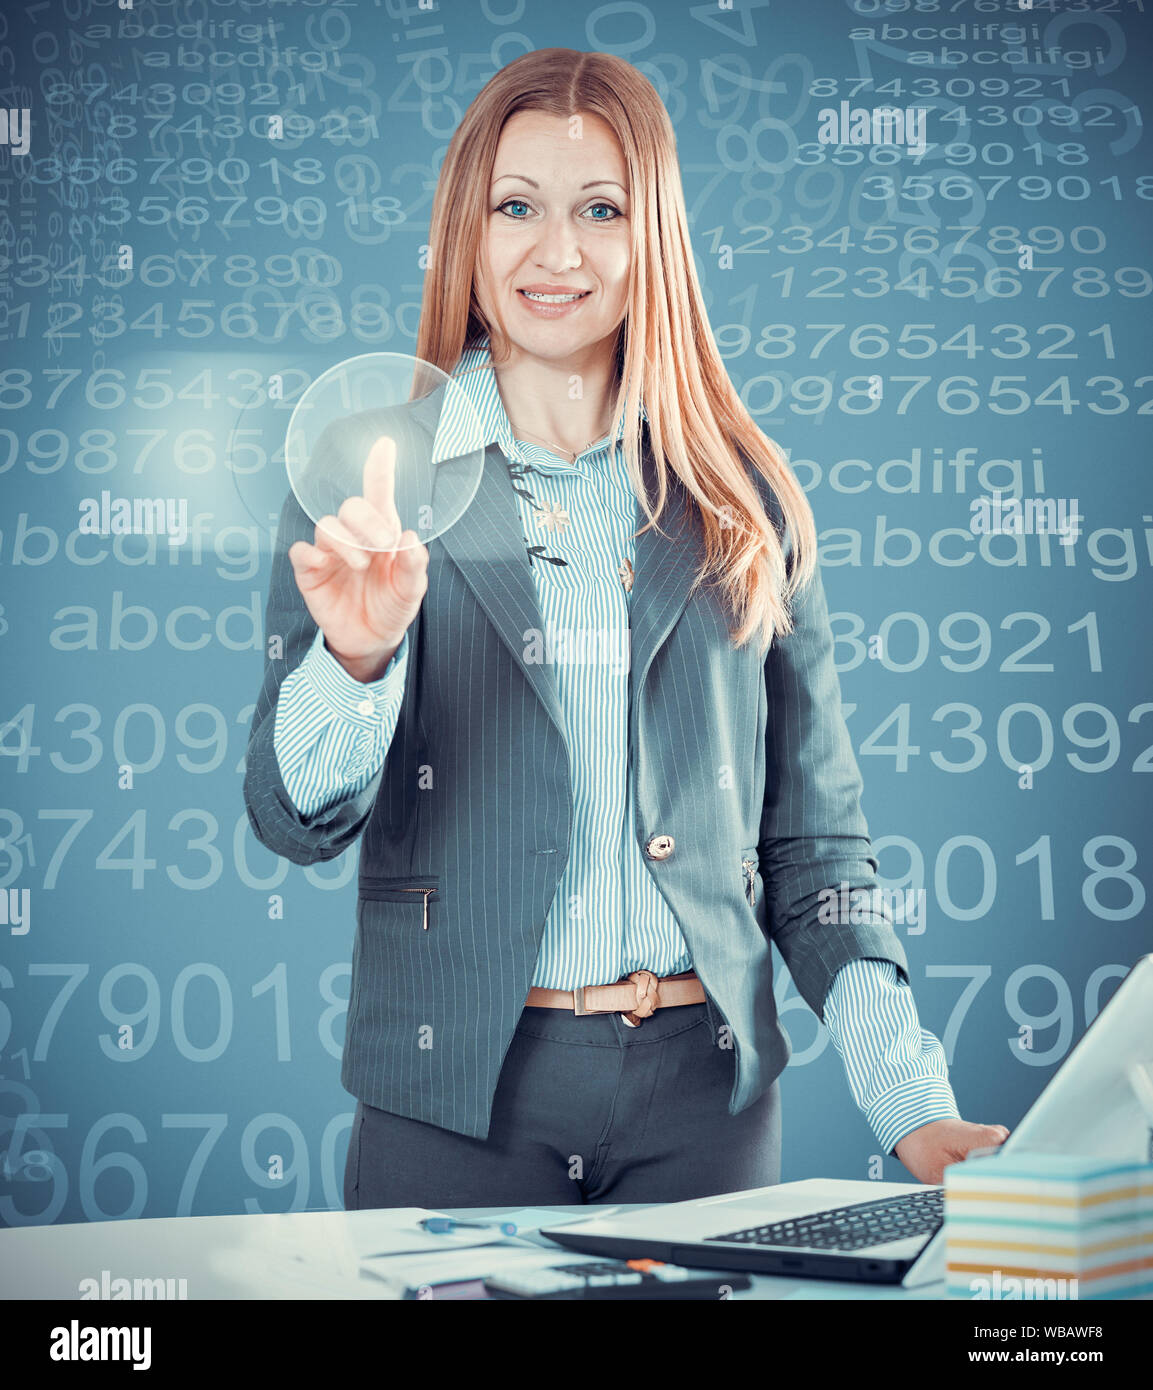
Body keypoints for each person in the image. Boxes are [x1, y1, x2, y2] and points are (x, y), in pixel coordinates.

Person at [244, 48, 1008, 1210]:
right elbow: (294, 821)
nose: (558, 255)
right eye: (518, 208)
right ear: (468, 228)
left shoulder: (742, 501)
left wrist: (914, 1104)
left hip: (703, 1111)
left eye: (601, 209)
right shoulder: (372, 482)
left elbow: (817, 855)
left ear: (651, 237)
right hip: (451, 1103)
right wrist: (356, 661)